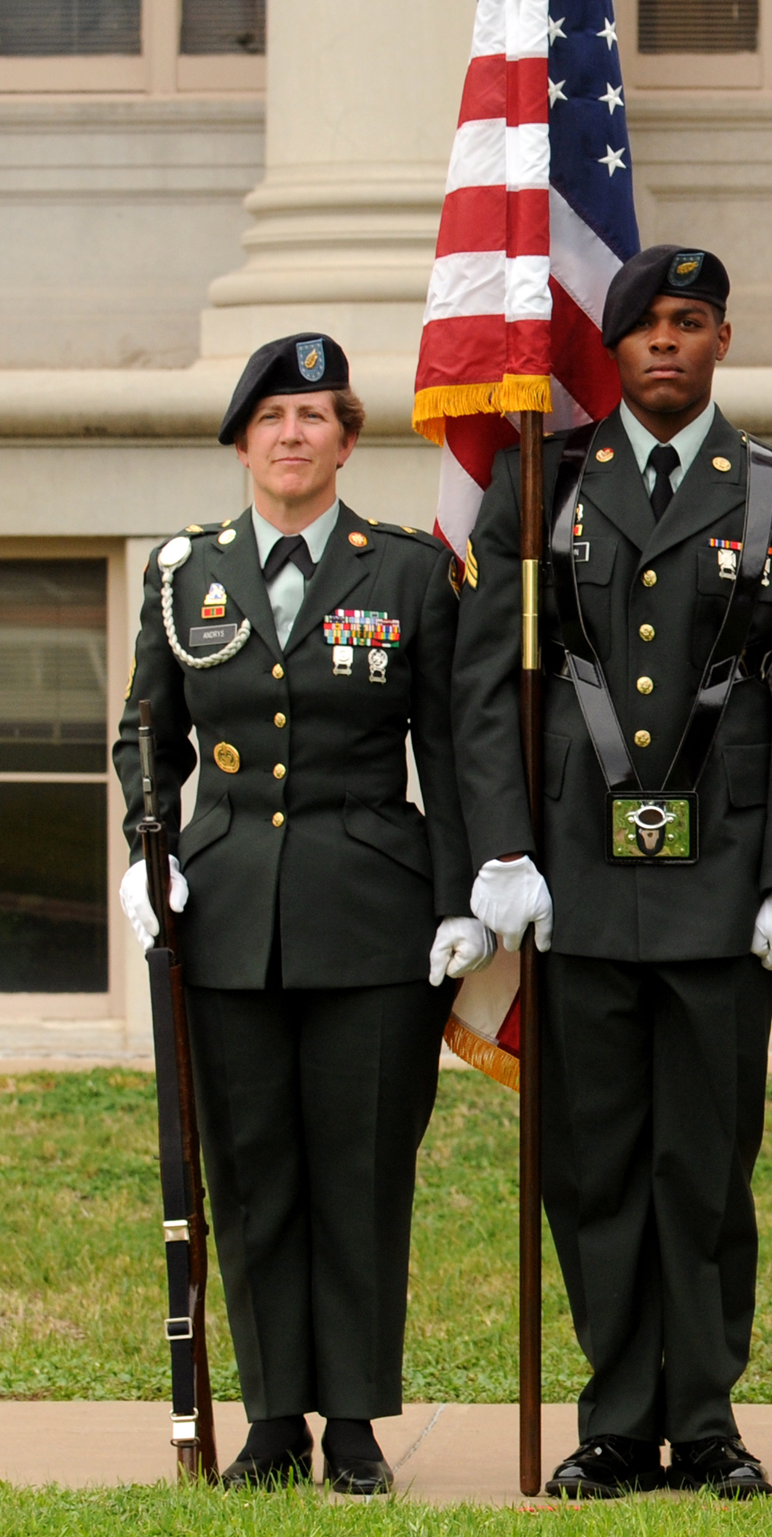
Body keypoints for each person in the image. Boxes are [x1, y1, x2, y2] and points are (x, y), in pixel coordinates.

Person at [453, 245, 772, 1499]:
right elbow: (485, 688)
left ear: (725, 341)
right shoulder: (540, 485)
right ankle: (620, 1420)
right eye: (644, 328)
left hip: (723, 883)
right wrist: (502, 847)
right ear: (611, 353)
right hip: (576, 877)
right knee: (596, 1165)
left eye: (691, 322)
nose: (666, 343)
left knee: (705, 1167)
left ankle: (711, 1419)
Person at [112, 332, 485, 1494]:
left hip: (375, 917)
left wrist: (467, 892)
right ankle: (275, 1417)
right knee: (255, 1171)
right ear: (240, 441)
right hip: (224, 918)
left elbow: (452, 750)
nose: (291, 435)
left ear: (347, 439)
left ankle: (358, 1423)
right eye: (270, 417)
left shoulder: (412, 573)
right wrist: (144, 847)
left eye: (315, 415)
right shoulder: (184, 573)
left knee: (363, 1174)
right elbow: (144, 731)